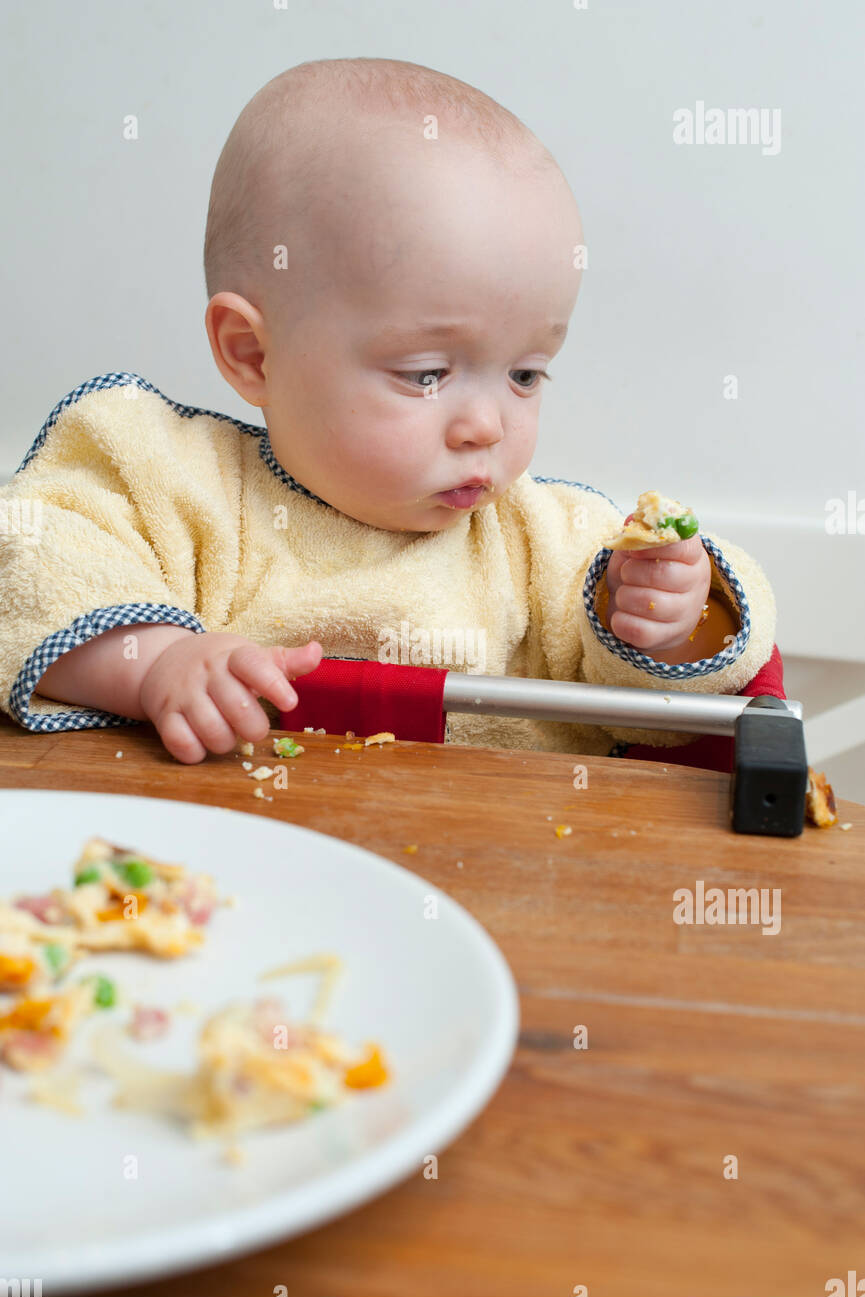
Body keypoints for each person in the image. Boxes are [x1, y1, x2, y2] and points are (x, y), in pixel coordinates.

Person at [0, 58, 779, 767]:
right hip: (223, 881)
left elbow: (665, 713)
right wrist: (158, 663)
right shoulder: (171, 485)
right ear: (252, 354)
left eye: (524, 373)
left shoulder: (547, 547)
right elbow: (37, 567)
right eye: (427, 373)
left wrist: (667, 621)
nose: (487, 426)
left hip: (508, 886)